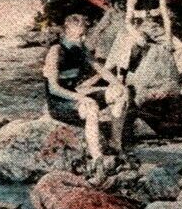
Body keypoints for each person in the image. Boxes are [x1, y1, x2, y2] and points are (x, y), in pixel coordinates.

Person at [43, 13, 133, 173]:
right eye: (79, 36)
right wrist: (82, 97)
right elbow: (53, 89)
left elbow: (101, 70)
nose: (83, 39)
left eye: (84, 35)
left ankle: (115, 145)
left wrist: (118, 85)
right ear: (67, 33)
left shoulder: (81, 48)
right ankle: (97, 157)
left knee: (120, 93)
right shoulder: (56, 52)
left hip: (75, 97)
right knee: (91, 107)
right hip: (59, 103)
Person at [107, 0, 182, 91]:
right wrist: (137, 35)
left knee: (181, 47)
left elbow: (166, 19)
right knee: (129, 45)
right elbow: (128, 22)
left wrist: (169, 39)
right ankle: (121, 75)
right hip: (140, 28)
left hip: (155, 28)